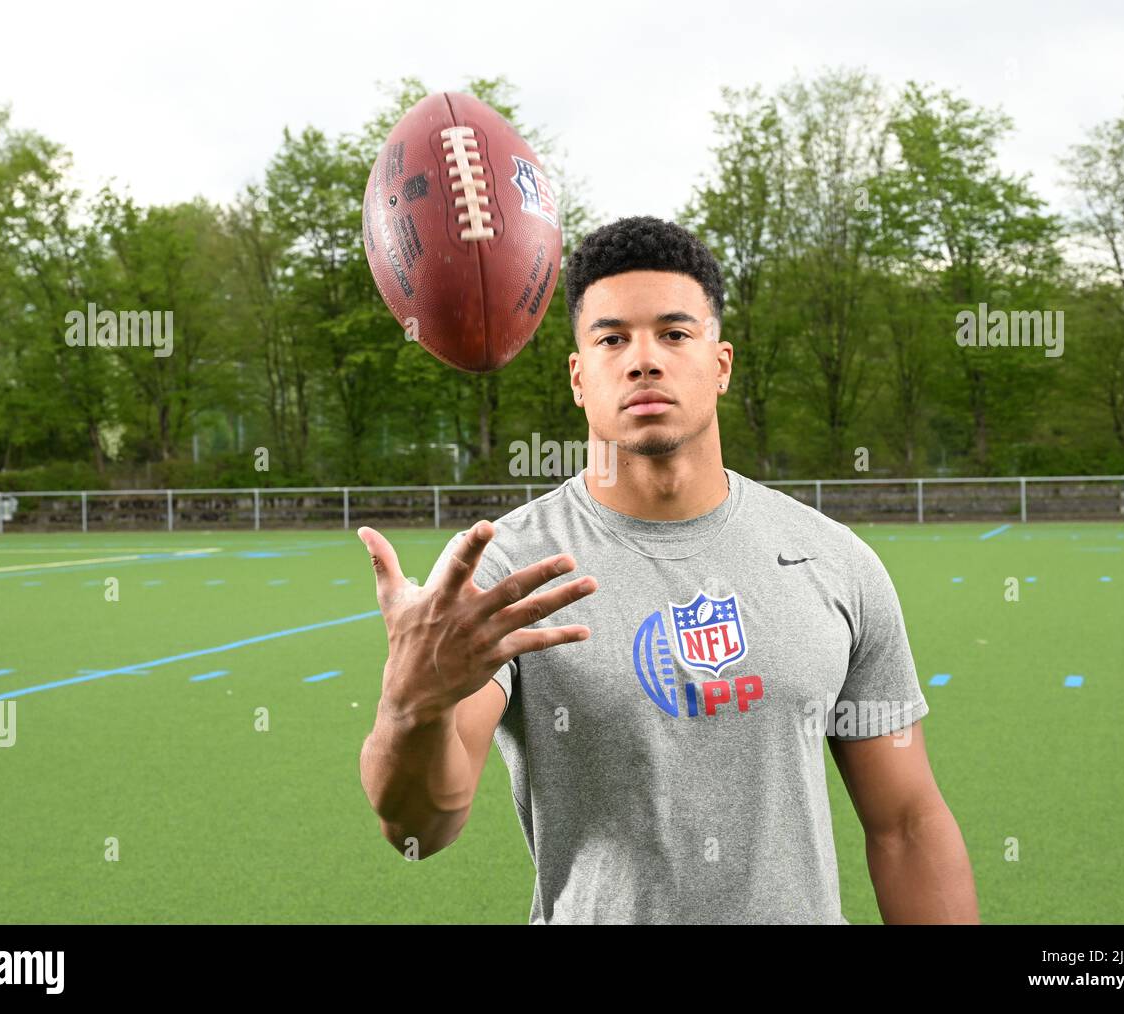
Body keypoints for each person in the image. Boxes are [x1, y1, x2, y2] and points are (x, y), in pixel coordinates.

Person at [358, 215, 979, 925]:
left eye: (675, 334)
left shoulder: (834, 561)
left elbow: (907, 824)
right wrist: (411, 706)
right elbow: (419, 833)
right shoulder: (505, 570)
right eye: (612, 338)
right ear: (578, 376)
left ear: (720, 364)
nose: (643, 360)